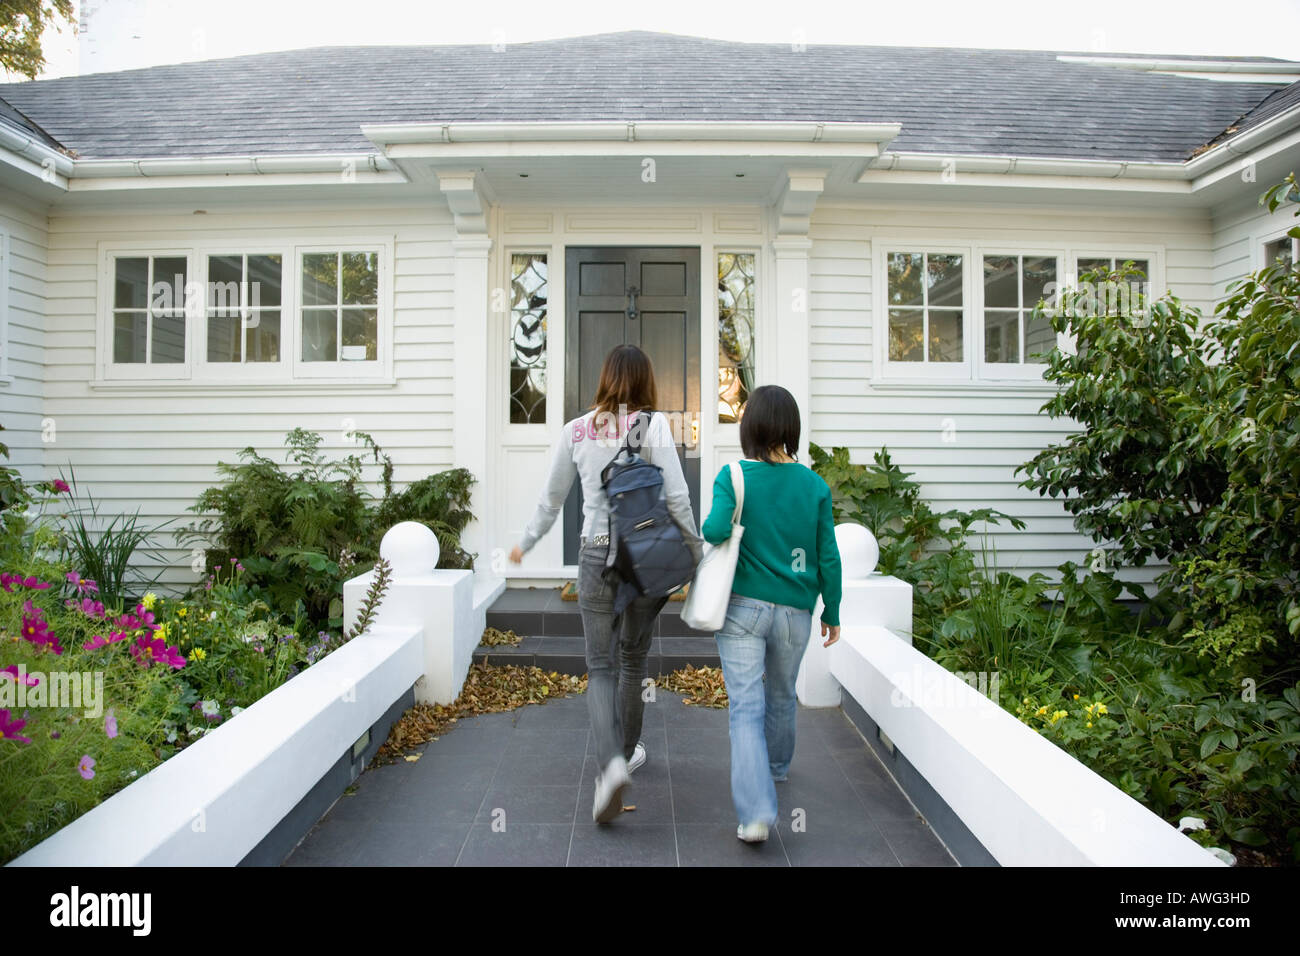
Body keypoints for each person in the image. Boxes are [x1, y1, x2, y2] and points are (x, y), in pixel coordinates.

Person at [509, 344, 703, 823]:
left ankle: (612, 764)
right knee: (634, 659)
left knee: (600, 665)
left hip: (595, 555)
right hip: (647, 558)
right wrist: (696, 553)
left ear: (606, 377)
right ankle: (628, 751)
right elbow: (676, 497)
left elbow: (551, 501)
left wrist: (524, 544)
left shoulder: (575, 430)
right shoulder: (653, 425)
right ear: (645, 380)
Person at [699, 384, 843, 843]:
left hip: (742, 611)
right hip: (795, 614)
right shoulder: (815, 486)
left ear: (750, 427)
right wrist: (832, 611)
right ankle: (777, 770)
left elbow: (715, 529)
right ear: (791, 430)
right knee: (782, 694)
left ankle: (757, 812)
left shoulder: (734, 475)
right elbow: (828, 556)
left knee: (745, 707)